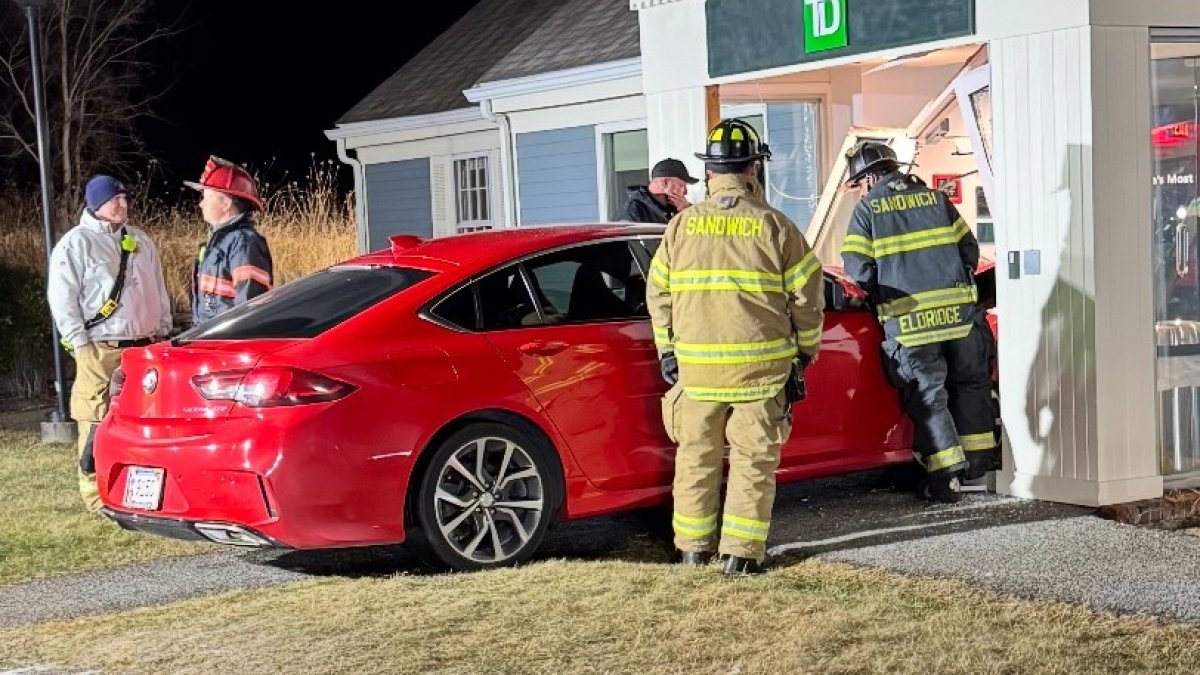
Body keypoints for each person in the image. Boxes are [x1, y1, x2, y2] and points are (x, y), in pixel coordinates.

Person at [647, 119, 825, 575]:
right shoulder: (776, 227)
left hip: (698, 373)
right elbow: (807, 297)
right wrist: (804, 351)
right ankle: (740, 557)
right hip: (760, 374)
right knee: (752, 460)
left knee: (695, 459)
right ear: (753, 168)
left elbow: (659, 294)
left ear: (709, 172)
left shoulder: (681, 227)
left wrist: (668, 351)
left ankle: (691, 551)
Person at [839, 141, 997, 503]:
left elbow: (859, 270)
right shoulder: (936, 199)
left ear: (869, 178)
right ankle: (977, 467)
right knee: (971, 385)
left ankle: (946, 477)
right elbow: (969, 251)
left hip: (912, 323)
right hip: (961, 317)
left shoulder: (869, 209)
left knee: (929, 396)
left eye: (860, 183)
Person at [47, 175, 172, 512]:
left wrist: (163, 330)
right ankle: (95, 494)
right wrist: (80, 342)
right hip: (101, 347)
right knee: (96, 416)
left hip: (144, 346)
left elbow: (157, 289)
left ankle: (139, 489)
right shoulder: (75, 244)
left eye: (124, 197)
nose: (123, 204)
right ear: (97, 203)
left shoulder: (141, 241)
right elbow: (62, 298)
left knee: (146, 416)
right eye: (115, 199)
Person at [185, 156, 274, 326]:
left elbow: (250, 308)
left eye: (206, 197)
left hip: (226, 341)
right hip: (210, 338)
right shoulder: (218, 241)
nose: (201, 204)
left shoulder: (244, 243)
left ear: (225, 203)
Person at [618, 158, 699, 224]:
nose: (685, 192)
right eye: (681, 186)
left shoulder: (674, 208)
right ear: (665, 183)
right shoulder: (632, 213)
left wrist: (687, 210)